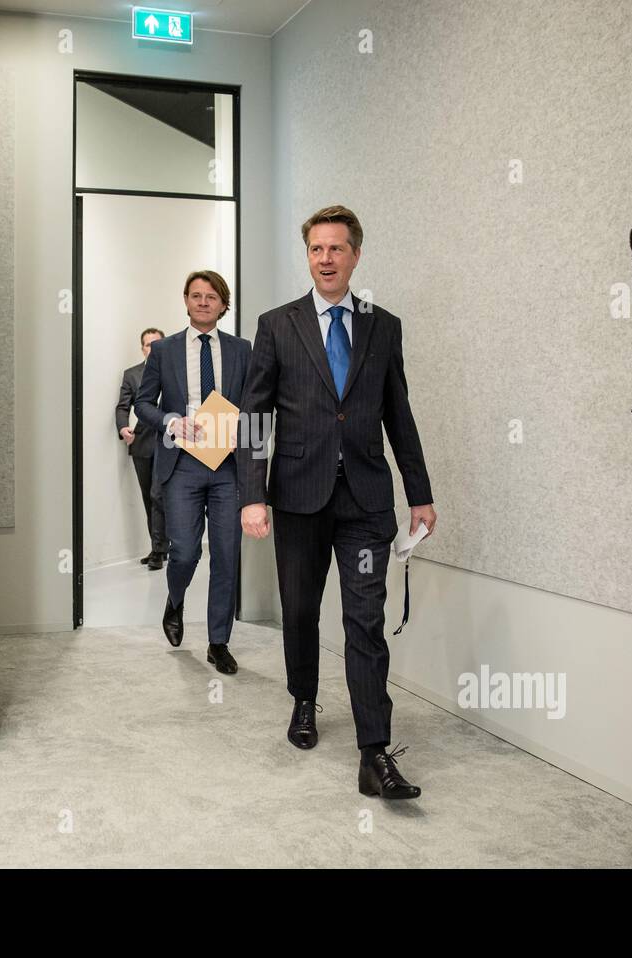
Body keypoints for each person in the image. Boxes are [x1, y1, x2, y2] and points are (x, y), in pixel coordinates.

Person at [237, 205, 437, 799]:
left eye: (337, 249)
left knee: (365, 622)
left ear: (355, 256)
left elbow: (398, 413)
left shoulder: (383, 325)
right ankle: (304, 700)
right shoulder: (278, 324)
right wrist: (253, 493)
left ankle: (374, 752)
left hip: (365, 503)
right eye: (316, 249)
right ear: (308, 256)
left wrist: (419, 492)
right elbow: (253, 416)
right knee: (299, 613)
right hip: (299, 497)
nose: (326, 258)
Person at [135, 271, 251, 675]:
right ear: (186, 301)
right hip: (180, 462)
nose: (204, 302)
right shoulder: (164, 350)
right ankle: (176, 598)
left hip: (227, 467)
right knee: (184, 550)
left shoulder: (242, 349)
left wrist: (246, 433)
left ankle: (218, 642)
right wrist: (169, 420)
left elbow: (257, 403)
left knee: (225, 554)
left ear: (223, 304)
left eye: (212, 296)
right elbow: (143, 403)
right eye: (196, 296)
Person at [116, 328, 168, 570]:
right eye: (148, 345)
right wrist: (123, 428)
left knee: (160, 495)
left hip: (170, 441)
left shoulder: (175, 371)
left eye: (157, 343)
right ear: (142, 348)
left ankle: (160, 549)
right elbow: (123, 406)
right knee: (150, 497)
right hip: (142, 442)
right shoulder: (132, 374)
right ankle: (159, 546)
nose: (152, 348)